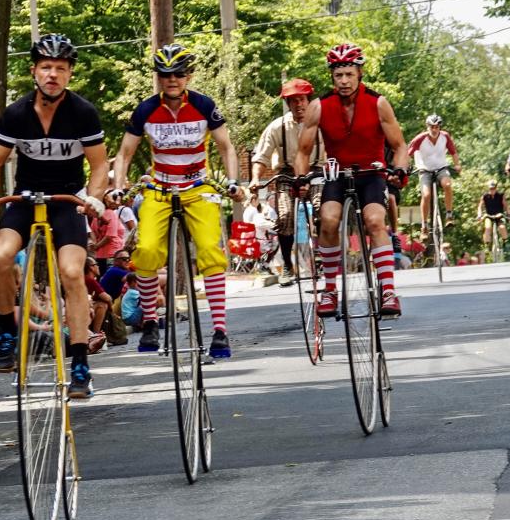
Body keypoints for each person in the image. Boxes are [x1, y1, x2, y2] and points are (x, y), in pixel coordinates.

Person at [0, 33, 108, 398]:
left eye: (60, 69)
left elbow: (99, 167)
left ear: (69, 74)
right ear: (34, 71)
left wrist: (94, 199)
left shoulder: (82, 112)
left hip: (66, 201)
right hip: (25, 200)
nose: (52, 75)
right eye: (46, 67)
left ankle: (79, 361)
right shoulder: (16, 114)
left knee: (72, 273)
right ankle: (4, 334)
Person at [110, 43, 245, 358]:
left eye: (179, 74)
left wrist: (234, 181)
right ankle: (151, 322)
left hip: (198, 187)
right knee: (144, 251)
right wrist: (118, 187)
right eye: (165, 75)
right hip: (159, 187)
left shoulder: (204, 106)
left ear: (189, 76)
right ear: (158, 77)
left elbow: (226, 146)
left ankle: (221, 331)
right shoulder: (145, 109)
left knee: (211, 249)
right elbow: (125, 153)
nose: (172, 80)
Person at [294, 43, 410, 318]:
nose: (344, 81)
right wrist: (301, 178)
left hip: (371, 174)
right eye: (338, 75)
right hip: (336, 173)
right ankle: (330, 289)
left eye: (349, 74)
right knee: (329, 218)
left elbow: (400, 145)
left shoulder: (378, 103)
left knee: (374, 221)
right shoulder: (319, 107)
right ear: (332, 77)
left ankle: (388, 289)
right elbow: (303, 151)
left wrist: (400, 169)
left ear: (360, 73)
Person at [251, 78, 325, 287]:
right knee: (284, 216)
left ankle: (321, 254)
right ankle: (286, 264)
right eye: (293, 101)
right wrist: (256, 179)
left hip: (316, 170)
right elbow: (261, 156)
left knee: (323, 209)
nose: (299, 105)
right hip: (287, 174)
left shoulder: (323, 122)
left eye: (302, 100)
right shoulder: (277, 127)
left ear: (309, 100)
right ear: (287, 103)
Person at [407, 113, 461, 233]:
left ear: (440, 127)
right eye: (432, 127)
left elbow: (453, 152)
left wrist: (457, 164)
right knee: (426, 195)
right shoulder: (420, 139)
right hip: (425, 169)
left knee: (447, 185)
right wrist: (406, 167)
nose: (435, 129)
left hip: (441, 167)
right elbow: (407, 154)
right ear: (428, 127)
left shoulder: (445, 137)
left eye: (437, 127)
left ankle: (449, 215)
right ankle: (424, 225)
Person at [477, 180, 508, 253]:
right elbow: (480, 206)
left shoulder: (501, 195)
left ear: (496, 188)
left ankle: (504, 242)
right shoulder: (485, 196)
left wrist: (508, 214)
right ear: (488, 189)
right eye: (490, 189)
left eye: (493, 188)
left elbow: (506, 205)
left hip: (499, 215)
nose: (492, 190)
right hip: (489, 215)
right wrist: (479, 215)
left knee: (502, 227)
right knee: (487, 228)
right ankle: (487, 245)